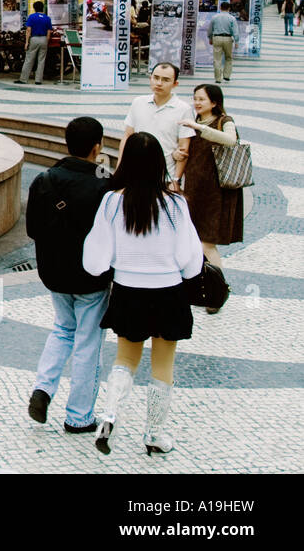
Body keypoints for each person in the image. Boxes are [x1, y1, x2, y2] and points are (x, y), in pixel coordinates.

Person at [84, 132, 204, 456]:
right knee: (163, 366)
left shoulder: (112, 201)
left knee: (125, 359)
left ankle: (110, 416)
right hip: (168, 290)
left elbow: (95, 259)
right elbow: (191, 260)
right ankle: (154, 434)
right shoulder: (176, 203)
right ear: (158, 164)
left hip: (128, 289)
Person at [26, 117, 112, 434]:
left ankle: (43, 388)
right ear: (97, 147)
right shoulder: (105, 184)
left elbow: (33, 229)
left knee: (63, 329)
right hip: (91, 277)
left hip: (55, 273)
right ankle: (79, 416)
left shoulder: (45, 179)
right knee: (88, 342)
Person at [179, 83, 243, 314]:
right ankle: (200, 287)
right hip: (194, 189)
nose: (197, 103)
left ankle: (217, 291)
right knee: (194, 240)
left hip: (216, 191)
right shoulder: (192, 123)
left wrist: (197, 127)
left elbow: (230, 140)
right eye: (195, 98)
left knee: (207, 242)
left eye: (202, 99)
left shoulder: (224, 121)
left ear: (214, 102)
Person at [122, 63, 193, 192]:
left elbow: (184, 149)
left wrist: (176, 180)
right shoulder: (138, 102)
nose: (159, 83)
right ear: (150, 78)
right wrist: (120, 169)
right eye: (156, 78)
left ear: (175, 84)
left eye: (166, 80)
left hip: (164, 178)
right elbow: (127, 136)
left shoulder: (183, 109)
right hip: (134, 174)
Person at [17, 1, 53, 85]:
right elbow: (49, 32)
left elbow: (28, 30)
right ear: (42, 8)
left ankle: (23, 79)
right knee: (41, 60)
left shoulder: (32, 17)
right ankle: (38, 80)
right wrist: (46, 41)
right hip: (44, 39)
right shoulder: (47, 18)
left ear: (34, 8)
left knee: (29, 59)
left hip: (34, 39)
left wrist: (26, 42)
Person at [208, 1, 237, 84]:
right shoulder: (232, 18)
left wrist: (210, 38)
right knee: (228, 57)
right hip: (228, 38)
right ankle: (226, 76)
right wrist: (236, 40)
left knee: (217, 59)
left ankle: (218, 78)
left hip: (217, 38)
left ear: (220, 8)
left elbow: (210, 29)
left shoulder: (214, 17)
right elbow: (235, 31)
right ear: (229, 8)